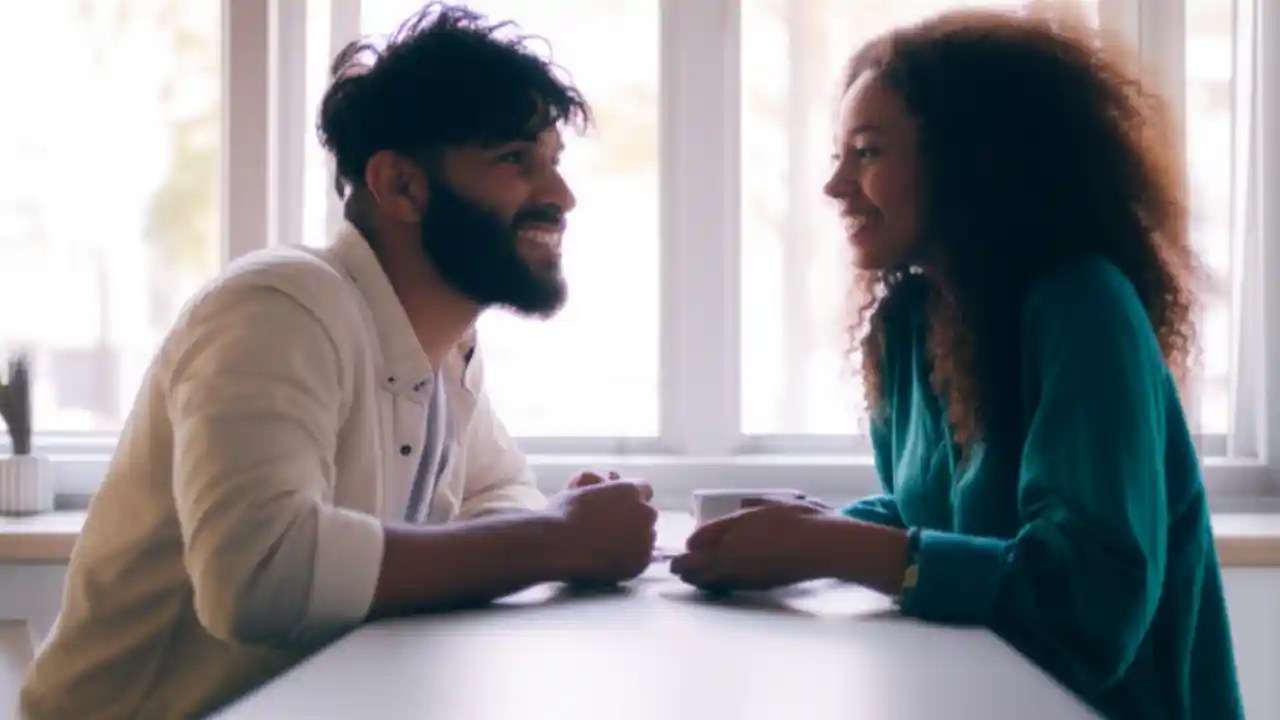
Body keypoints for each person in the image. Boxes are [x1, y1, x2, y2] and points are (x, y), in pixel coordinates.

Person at [20, 4, 657, 718]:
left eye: (553, 163)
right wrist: (561, 537)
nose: (560, 196)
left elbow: (500, 501)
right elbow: (259, 576)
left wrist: (551, 530)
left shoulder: (442, 351)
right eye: (515, 159)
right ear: (401, 186)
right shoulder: (278, 308)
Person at [672, 9, 1243, 719]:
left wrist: (831, 545)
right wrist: (812, 529)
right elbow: (940, 519)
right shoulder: (910, 320)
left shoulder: (1083, 306)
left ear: (969, 158)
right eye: (838, 153)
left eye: (868, 152)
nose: (834, 186)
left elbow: (1086, 607)